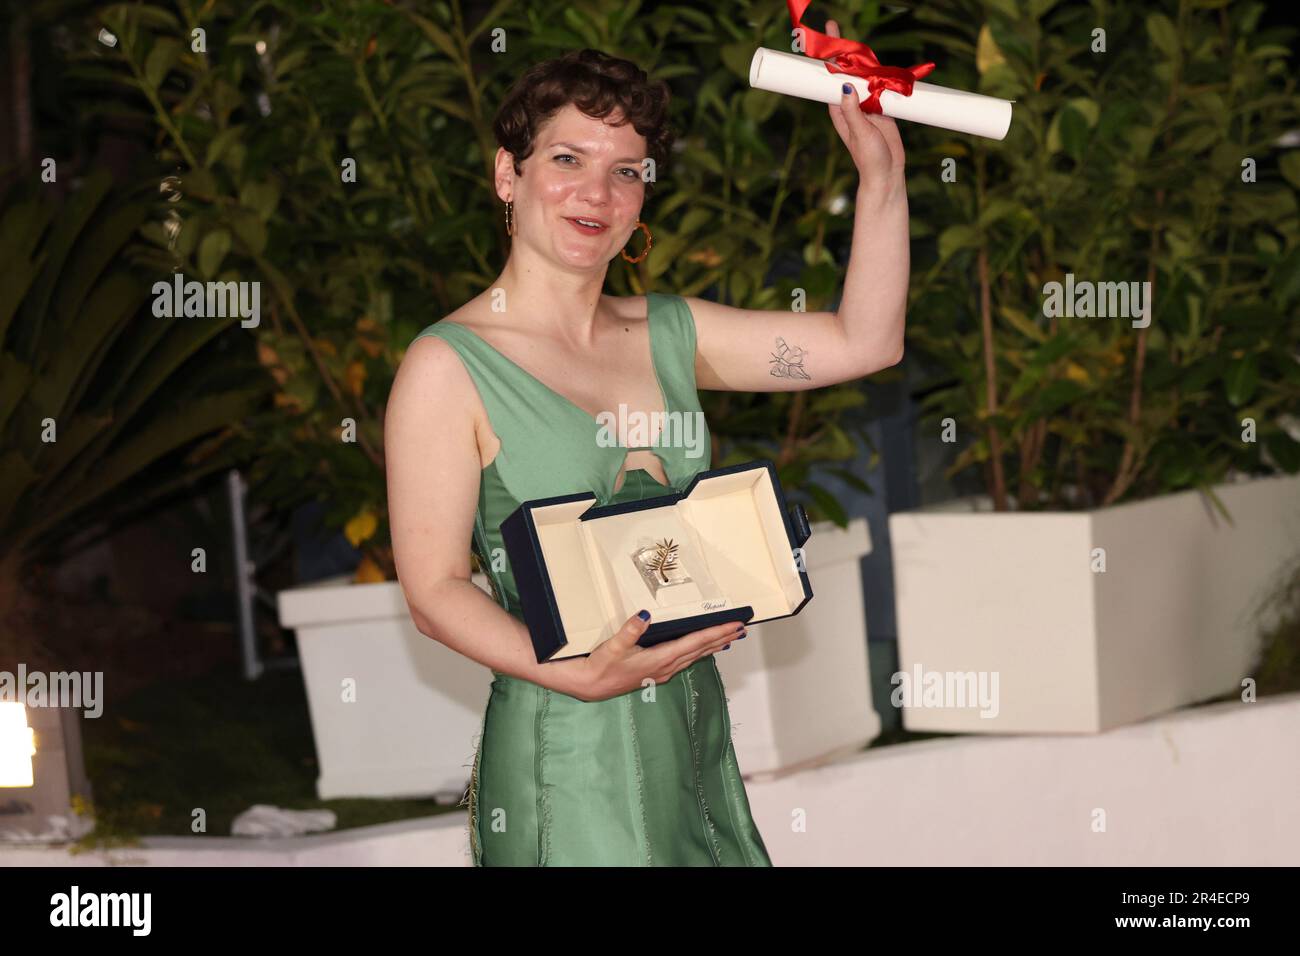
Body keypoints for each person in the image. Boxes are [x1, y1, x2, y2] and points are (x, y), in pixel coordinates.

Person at [386, 24, 907, 866]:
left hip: (689, 730)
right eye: (566, 159)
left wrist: (882, 180)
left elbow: (865, 342)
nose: (596, 190)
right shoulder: (446, 367)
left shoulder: (673, 332)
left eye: (625, 170)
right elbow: (434, 592)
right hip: (567, 744)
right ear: (505, 175)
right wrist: (580, 674)